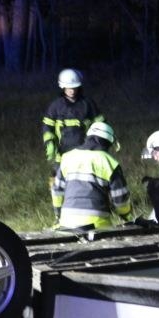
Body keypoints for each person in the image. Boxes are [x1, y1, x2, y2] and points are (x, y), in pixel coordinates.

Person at [51, 122, 134, 230]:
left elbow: (57, 191)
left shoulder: (67, 157)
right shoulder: (109, 162)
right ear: (104, 142)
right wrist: (127, 216)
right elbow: (120, 199)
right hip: (98, 226)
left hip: (67, 224)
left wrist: (58, 215)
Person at [41, 69, 104, 200]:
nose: (72, 90)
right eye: (69, 87)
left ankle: (84, 200)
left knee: (87, 177)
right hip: (62, 152)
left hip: (84, 150)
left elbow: (101, 124)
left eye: (74, 87)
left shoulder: (88, 104)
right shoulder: (56, 106)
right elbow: (47, 127)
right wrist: (49, 143)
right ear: (62, 87)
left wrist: (107, 140)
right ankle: (57, 205)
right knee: (56, 177)